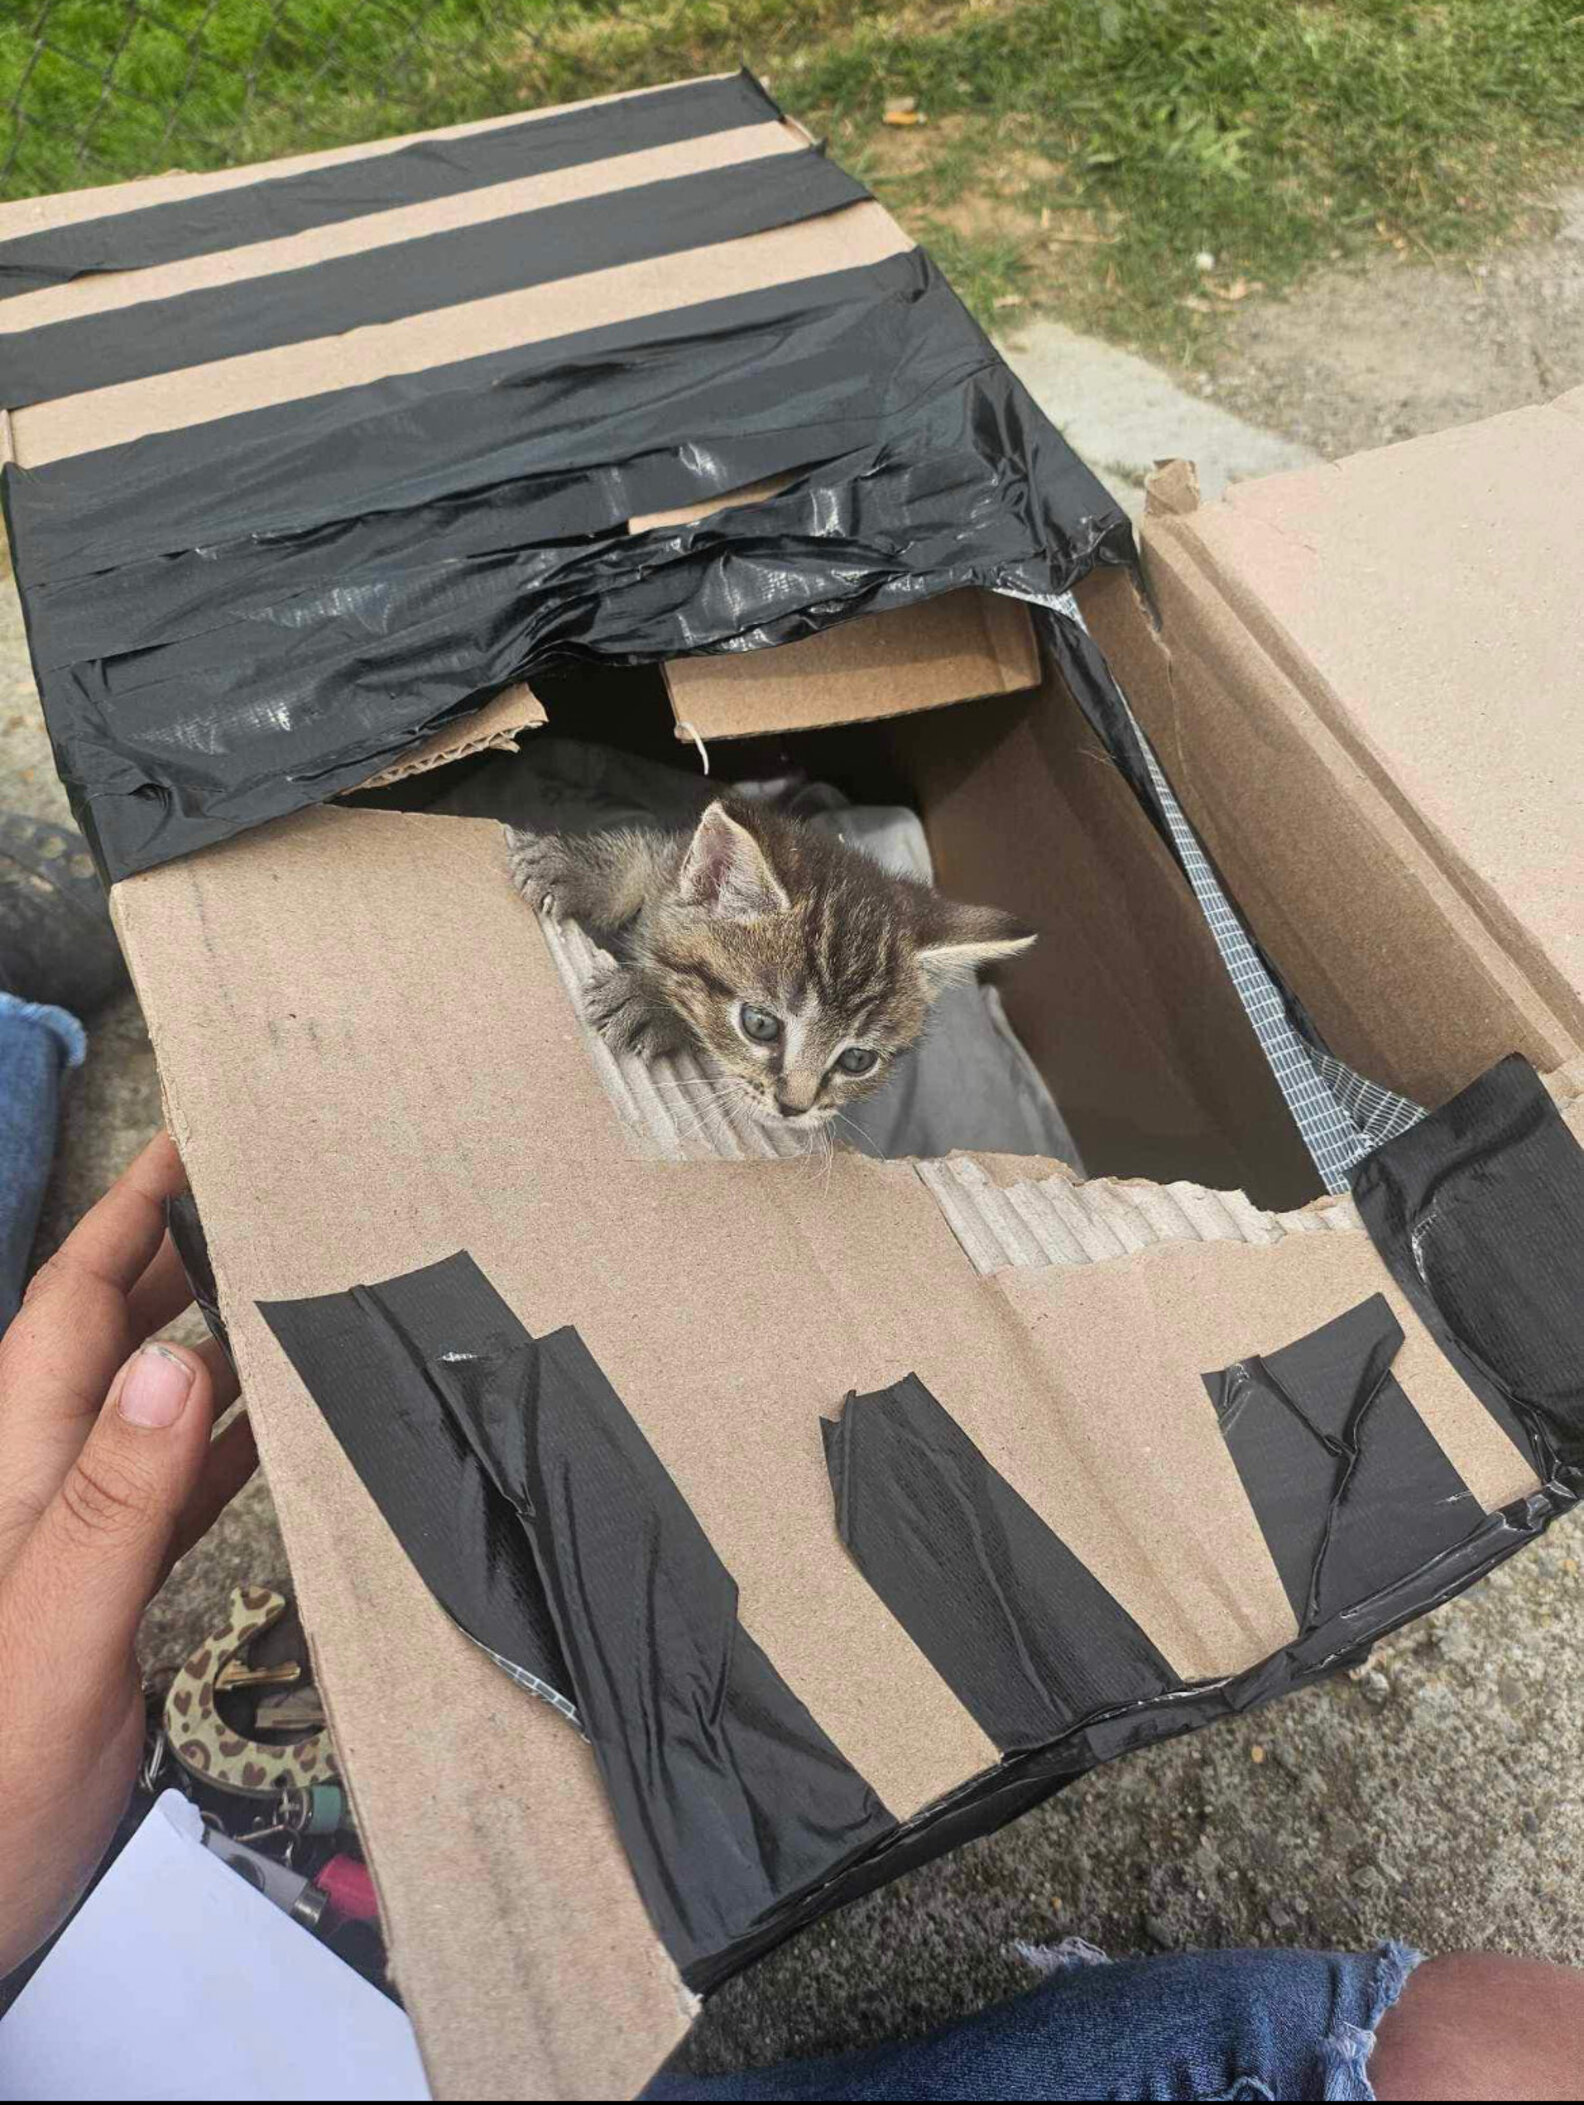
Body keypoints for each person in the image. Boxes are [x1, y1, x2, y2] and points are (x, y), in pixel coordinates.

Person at [1, 838, 1580, 2099]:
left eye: (847, 1059)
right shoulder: (701, 905)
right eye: (775, 1038)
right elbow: (617, 881)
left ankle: (23, 1027)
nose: (794, 1089)